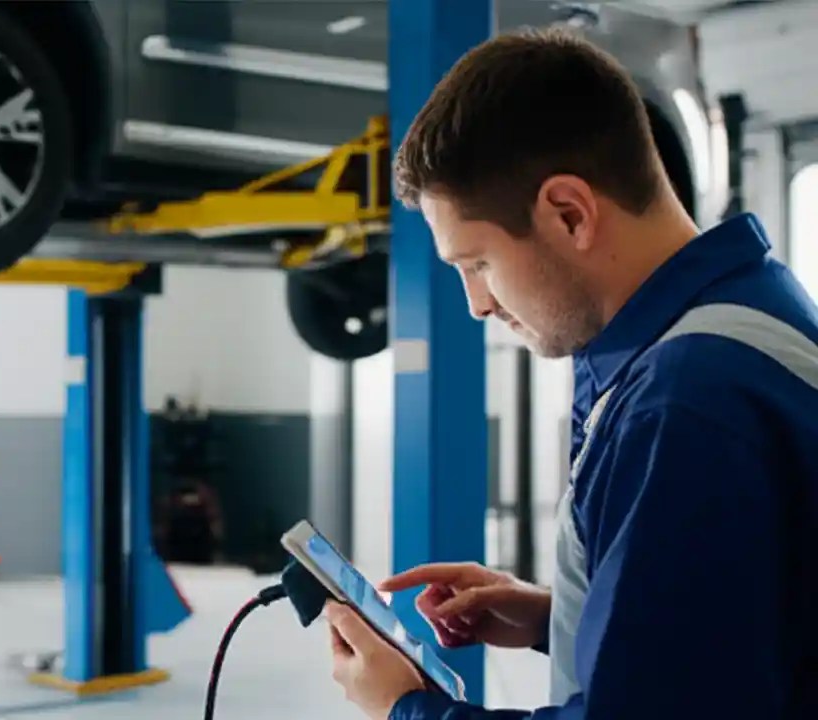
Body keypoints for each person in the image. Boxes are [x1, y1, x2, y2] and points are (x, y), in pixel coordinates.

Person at [324, 27, 818, 719]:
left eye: (478, 263)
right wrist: (561, 618)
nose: (477, 304)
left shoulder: (684, 401)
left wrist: (405, 709)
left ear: (569, 213)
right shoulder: (752, 307)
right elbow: (751, 637)